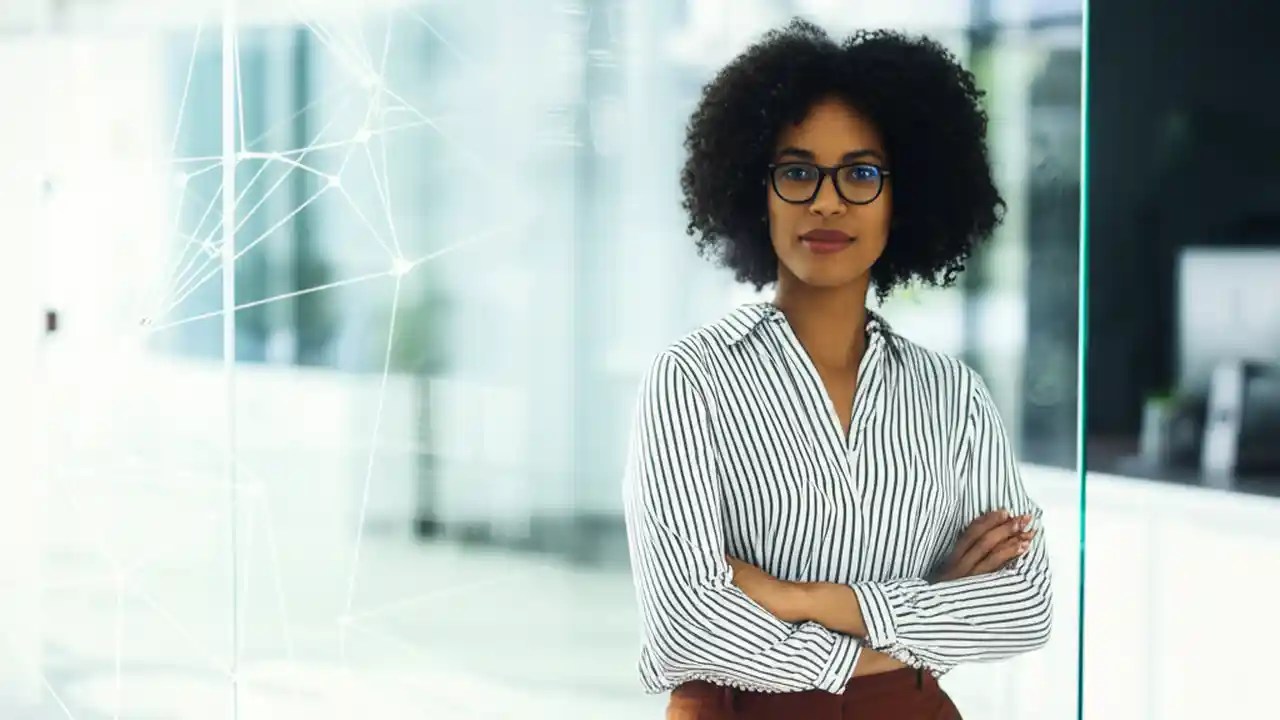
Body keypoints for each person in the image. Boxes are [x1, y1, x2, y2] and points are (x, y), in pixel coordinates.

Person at [621, 20, 1053, 720]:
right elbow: (686, 623)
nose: (827, 200)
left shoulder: (953, 397)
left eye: (861, 173)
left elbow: (1024, 606)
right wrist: (911, 632)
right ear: (756, 194)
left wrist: (804, 599)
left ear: (901, 197)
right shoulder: (691, 379)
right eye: (797, 171)